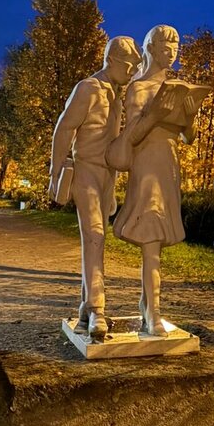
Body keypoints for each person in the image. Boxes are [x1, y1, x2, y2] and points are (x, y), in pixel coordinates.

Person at [49, 36, 141, 339]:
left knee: (97, 238)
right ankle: (97, 308)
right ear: (111, 61)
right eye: (128, 66)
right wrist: (55, 172)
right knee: (95, 235)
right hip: (86, 170)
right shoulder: (89, 88)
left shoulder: (117, 94)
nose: (131, 72)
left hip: (107, 174)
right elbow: (65, 127)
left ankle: (86, 306)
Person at [112, 24, 198, 337]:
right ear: (152, 49)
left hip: (169, 165)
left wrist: (189, 118)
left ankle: (149, 306)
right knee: (150, 240)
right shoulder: (138, 88)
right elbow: (130, 136)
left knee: (158, 242)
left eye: (176, 48)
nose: (172, 53)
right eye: (166, 47)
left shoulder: (178, 86)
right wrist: (153, 114)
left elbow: (189, 137)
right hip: (147, 165)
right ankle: (154, 313)